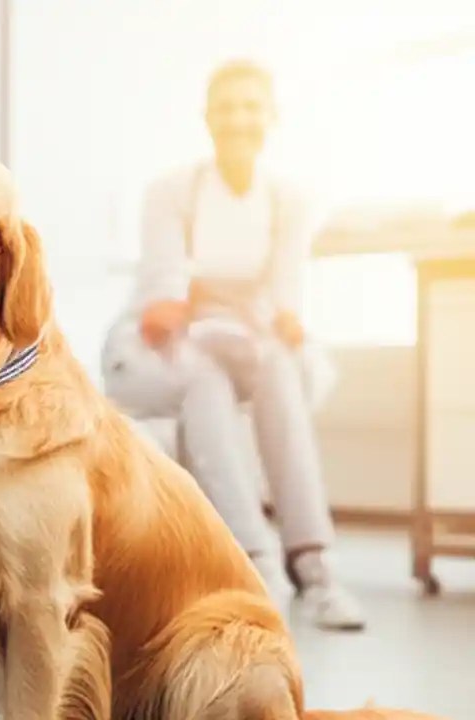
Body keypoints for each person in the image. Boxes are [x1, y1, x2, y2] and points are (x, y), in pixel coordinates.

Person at [100, 59, 365, 631]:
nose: (239, 119)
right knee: (204, 376)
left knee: (277, 366)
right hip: (150, 356)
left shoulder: (288, 200)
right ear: (207, 118)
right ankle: (254, 563)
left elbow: (285, 300)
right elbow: (162, 309)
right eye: (226, 107)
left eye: (251, 107)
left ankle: (317, 569)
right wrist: (211, 305)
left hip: (238, 346)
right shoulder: (171, 192)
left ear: (271, 116)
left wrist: (263, 320)